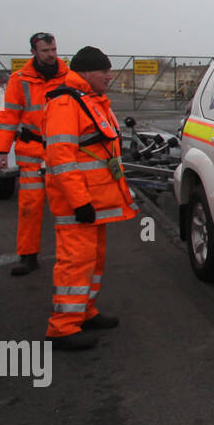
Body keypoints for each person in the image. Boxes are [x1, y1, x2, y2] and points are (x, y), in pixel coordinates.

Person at [42, 46, 138, 351]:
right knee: (75, 262)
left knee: (93, 261)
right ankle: (62, 327)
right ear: (85, 73)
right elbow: (61, 159)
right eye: (104, 72)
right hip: (79, 204)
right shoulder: (64, 104)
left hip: (95, 202)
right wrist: (79, 201)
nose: (110, 77)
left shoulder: (89, 101)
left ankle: (84, 311)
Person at [0, 32, 69, 275]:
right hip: (32, 152)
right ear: (34, 52)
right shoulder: (19, 80)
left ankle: (70, 256)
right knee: (30, 206)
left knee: (66, 207)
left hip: (61, 150)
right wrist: (1, 149)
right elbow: (8, 117)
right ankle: (28, 256)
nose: (51, 55)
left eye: (54, 49)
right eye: (45, 51)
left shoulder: (69, 77)